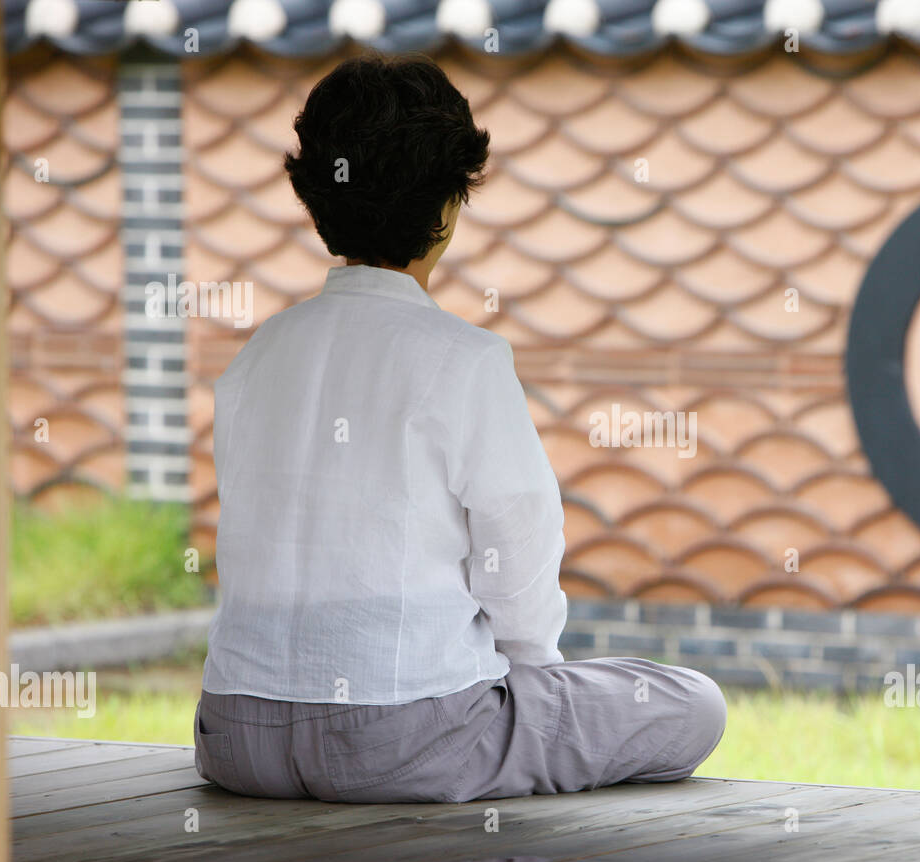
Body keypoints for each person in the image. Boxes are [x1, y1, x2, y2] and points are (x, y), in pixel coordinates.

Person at [193, 53, 725, 804]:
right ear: (446, 209)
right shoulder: (465, 360)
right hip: (406, 739)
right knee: (693, 703)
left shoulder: (255, 358)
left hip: (234, 738)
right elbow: (520, 544)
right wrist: (531, 672)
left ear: (317, 201)